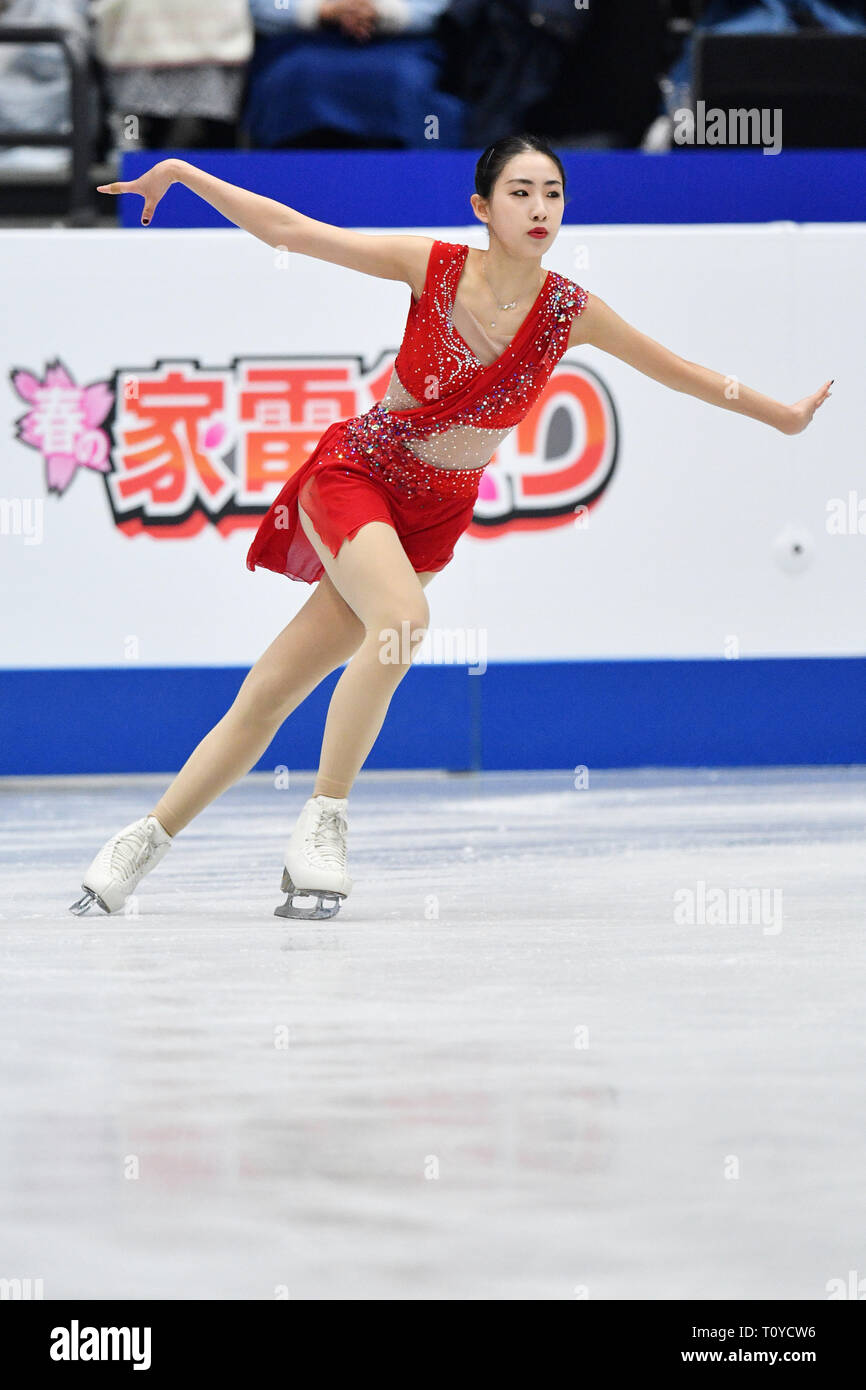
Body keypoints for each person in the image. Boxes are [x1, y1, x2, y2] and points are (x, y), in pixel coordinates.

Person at [70, 133, 832, 922]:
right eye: (521, 193)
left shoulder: (572, 313)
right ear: (482, 206)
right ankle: (324, 823)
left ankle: (136, 847)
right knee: (401, 623)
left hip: (434, 514)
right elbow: (294, 232)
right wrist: (188, 173)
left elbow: (682, 372)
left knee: (268, 694)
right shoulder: (430, 268)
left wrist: (781, 416)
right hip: (359, 475)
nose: (540, 209)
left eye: (553, 194)